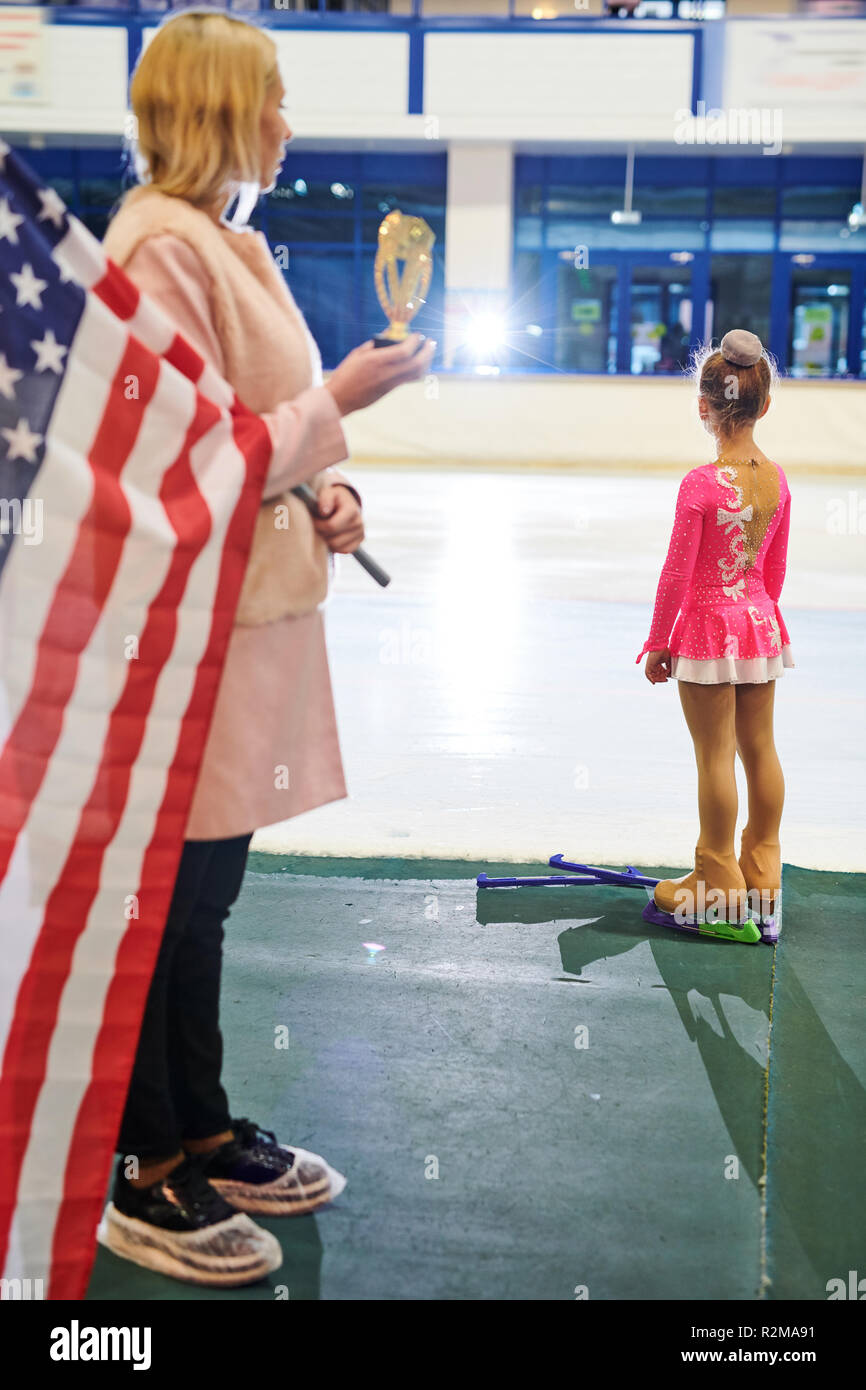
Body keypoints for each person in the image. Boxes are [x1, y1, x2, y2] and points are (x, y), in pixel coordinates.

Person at [96, 9, 435, 1287]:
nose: (291, 122)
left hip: (243, 623)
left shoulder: (224, 242)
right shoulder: (156, 245)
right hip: (182, 636)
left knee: (204, 904)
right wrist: (338, 400)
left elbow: (252, 434)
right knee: (165, 906)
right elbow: (178, 457)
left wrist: (327, 489)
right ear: (223, 110)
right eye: (275, 97)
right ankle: (138, 1169)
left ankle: (197, 1124)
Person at [636, 329, 793, 930]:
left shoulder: (701, 485)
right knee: (760, 747)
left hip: (706, 628)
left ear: (704, 407)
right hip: (760, 625)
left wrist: (658, 641)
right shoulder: (777, 480)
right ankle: (763, 868)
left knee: (713, 757)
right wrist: (758, 628)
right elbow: (773, 573)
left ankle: (716, 875)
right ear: (765, 403)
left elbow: (677, 575)